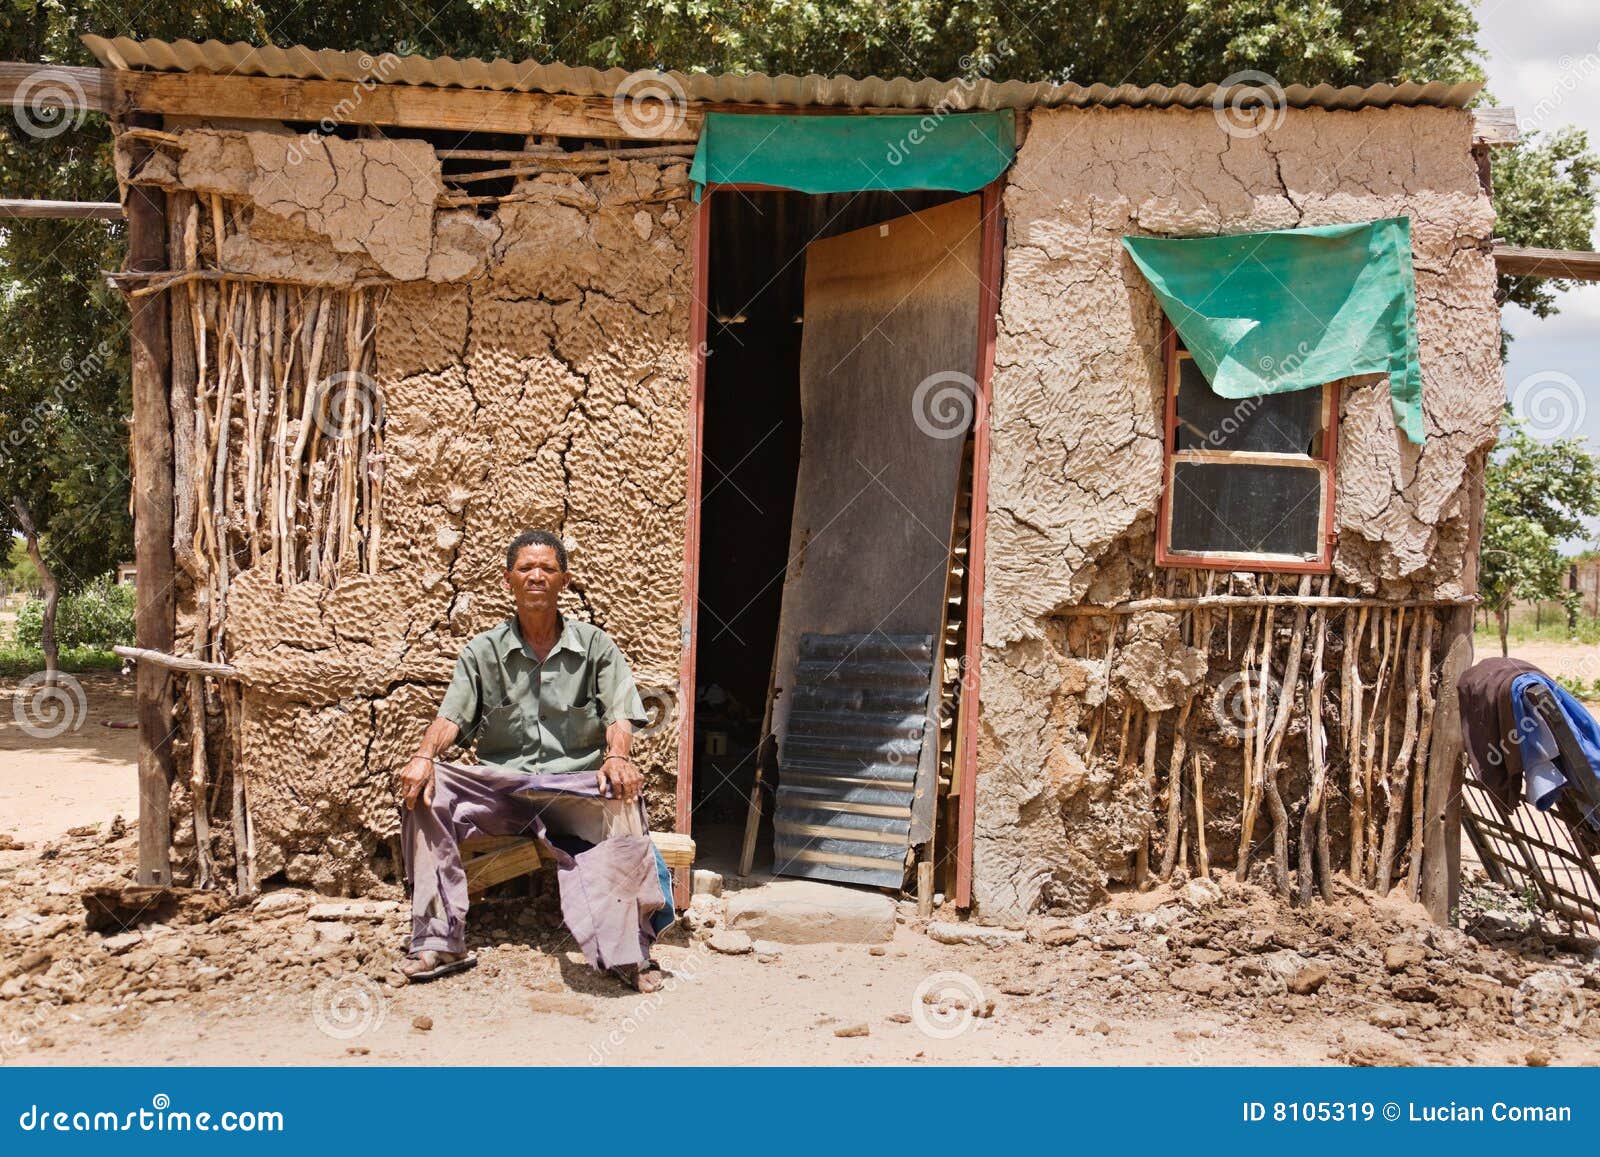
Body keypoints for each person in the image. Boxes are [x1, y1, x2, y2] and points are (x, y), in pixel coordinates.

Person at [393, 529, 674, 992]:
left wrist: (618, 757)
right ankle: (439, 942)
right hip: (503, 791)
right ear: (509, 580)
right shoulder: (483, 652)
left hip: (571, 789)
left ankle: (628, 953)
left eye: (547, 568)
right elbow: (451, 717)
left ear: (564, 580)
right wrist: (424, 755)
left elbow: (619, 714)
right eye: (525, 568)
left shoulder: (596, 646)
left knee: (623, 798)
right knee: (428, 789)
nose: (536, 576)